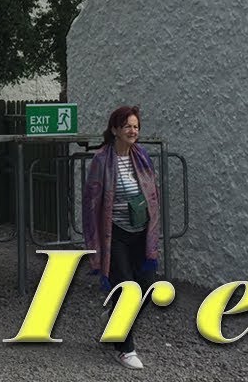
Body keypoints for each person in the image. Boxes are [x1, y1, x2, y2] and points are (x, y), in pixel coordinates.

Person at [82, 105, 161, 371]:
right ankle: (125, 350)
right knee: (127, 289)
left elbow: (152, 195)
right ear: (115, 129)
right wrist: (92, 241)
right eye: (127, 126)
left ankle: (114, 320)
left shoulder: (142, 157)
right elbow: (91, 202)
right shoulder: (102, 160)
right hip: (114, 234)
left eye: (136, 126)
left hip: (141, 233)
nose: (133, 131)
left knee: (147, 288)